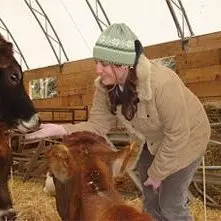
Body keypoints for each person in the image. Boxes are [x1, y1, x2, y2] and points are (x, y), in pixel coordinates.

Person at [26, 23, 211, 221]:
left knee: (170, 205)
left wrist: (158, 173)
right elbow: (97, 126)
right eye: (97, 62)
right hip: (150, 139)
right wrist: (60, 128)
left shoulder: (163, 83)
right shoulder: (106, 88)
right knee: (150, 200)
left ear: (123, 65)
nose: (98, 69)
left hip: (186, 140)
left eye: (104, 64)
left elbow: (178, 134)